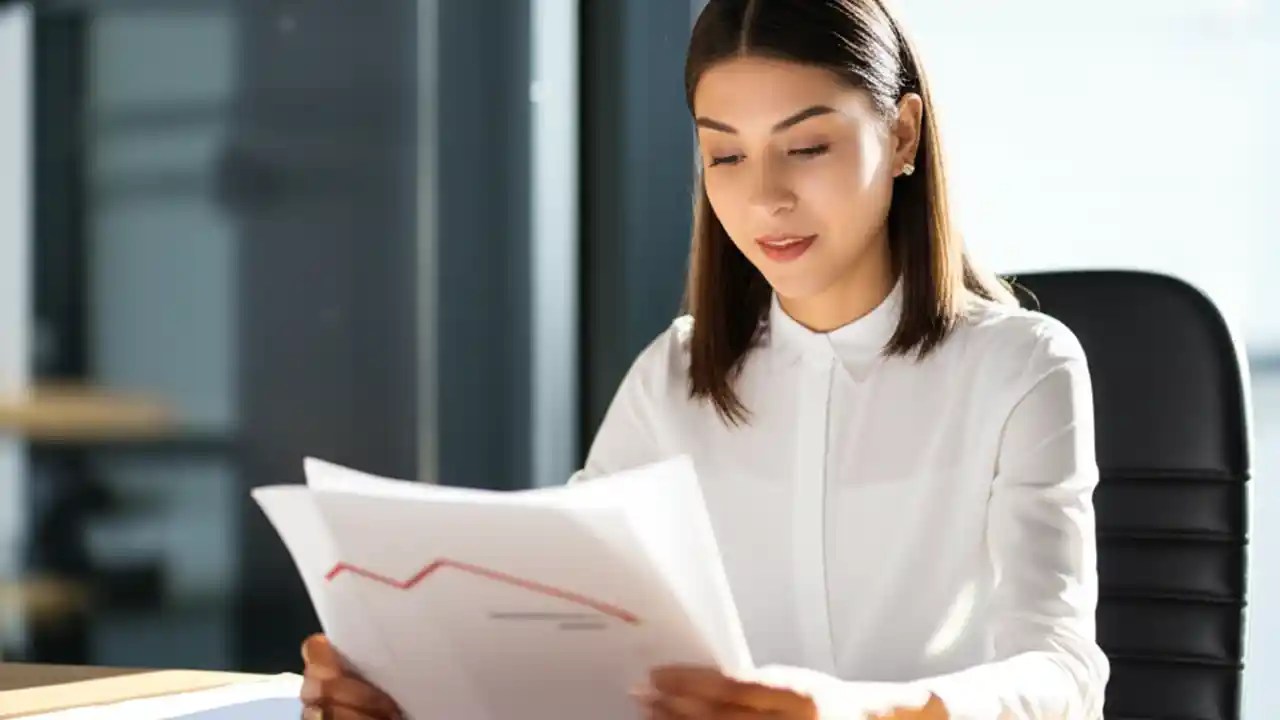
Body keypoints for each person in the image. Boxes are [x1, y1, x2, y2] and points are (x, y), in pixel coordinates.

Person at [298, 0, 1110, 718]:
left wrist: (860, 712)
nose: (765, 198)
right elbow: (559, 627)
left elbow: (1064, 675)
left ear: (901, 135)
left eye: (807, 147)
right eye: (726, 156)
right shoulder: (675, 375)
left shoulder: (1020, 367)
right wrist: (405, 691)